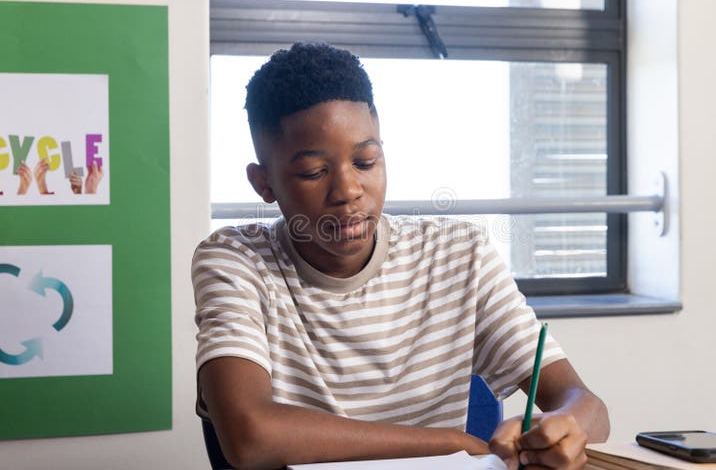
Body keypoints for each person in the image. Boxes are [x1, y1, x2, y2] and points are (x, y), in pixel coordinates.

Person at [192, 42, 609, 470]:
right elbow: (249, 437)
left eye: (365, 161)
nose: (348, 191)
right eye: (314, 172)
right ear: (263, 183)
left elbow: (587, 406)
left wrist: (563, 426)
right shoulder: (235, 261)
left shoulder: (458, 256)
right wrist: (448, 443)